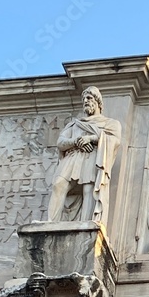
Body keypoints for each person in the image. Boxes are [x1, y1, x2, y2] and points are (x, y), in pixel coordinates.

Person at [48, 86, 122, 224]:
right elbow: (61, 142)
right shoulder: (74, 124)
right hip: (72, 158)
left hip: (92, 157)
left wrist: (92, 138)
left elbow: (115, 140)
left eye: (89, 98)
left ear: (98, 101)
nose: (86, 102)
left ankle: (85, 224)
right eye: (84, 99)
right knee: (58, 184)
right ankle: (51, 222)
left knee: (89, 190)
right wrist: (75, 141)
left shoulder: (109, 123)